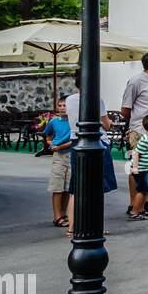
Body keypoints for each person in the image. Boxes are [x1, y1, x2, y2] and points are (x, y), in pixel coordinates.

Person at [64, 73, 114, 236]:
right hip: (96, 143)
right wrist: (110, 122)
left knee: (76, 186)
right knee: (96, 186)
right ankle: (95, 226)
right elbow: (105, 124)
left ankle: (72, 226)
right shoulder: (97, 100)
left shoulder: (69, 100)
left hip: (75, 142)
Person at [121, 51, 148, 213]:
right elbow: (125, 109)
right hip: (141, 132)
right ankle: (134, 204)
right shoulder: (136, 81)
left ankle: (146, 201)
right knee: (137, 167)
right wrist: (134, 126)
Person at [42, 99, 72, 228]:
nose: (62, 108)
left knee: (67, 187)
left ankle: (64, 214)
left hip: (71, 155)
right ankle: (57, 216)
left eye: (65, 105)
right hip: (59, 156)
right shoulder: (53, 122)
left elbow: (75, 139)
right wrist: (51, 144)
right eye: (60, 106)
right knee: (57, 186)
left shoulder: (74, 122)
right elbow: (47, 136)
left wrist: (60, 146)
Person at [127, 113, 148, 221]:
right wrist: (135, 168)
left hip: (144, 168)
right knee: (142, 191)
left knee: (144, 191)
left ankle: (141, 210)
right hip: (140, 169)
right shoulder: (146, 139)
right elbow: (136, 153)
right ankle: (134, 211)